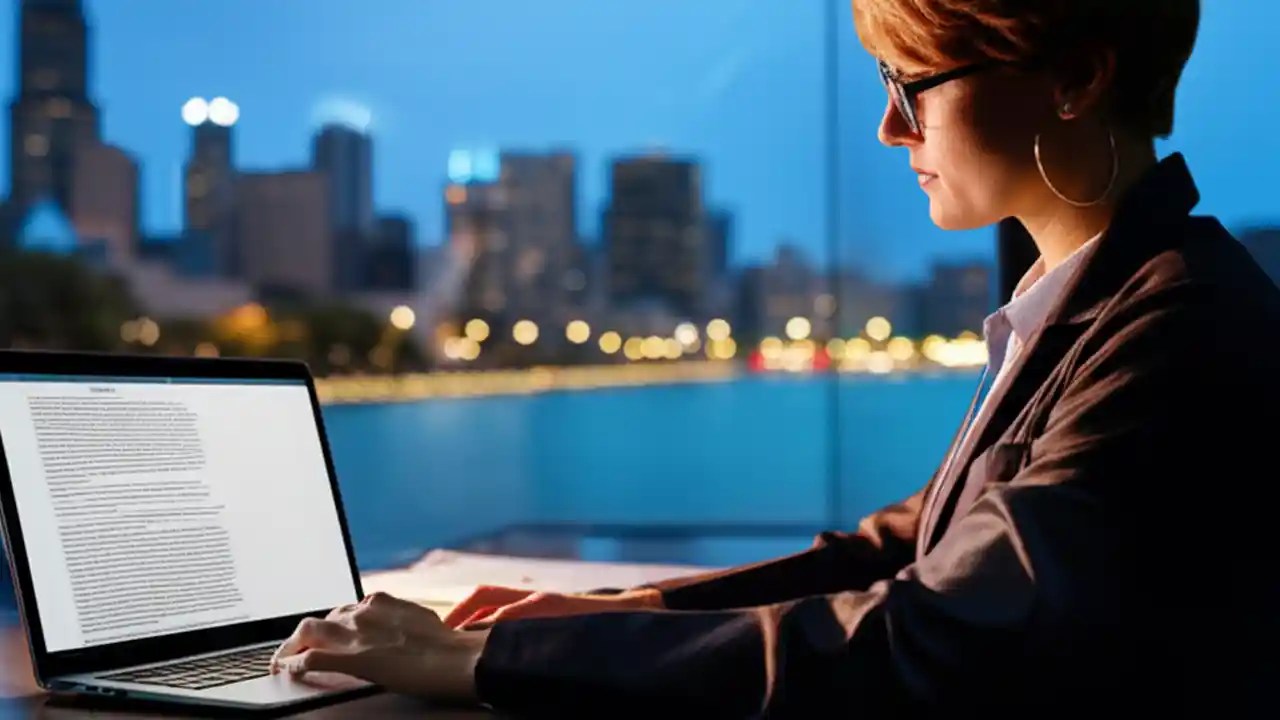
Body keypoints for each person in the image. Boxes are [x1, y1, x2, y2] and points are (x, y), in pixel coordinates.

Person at [271, 0, 1280, 714]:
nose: (888, 128)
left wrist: (498, 662)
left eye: (912, 84)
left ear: (1075, 79)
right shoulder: (1099, 299)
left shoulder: (1179, 324)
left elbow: (933, 633)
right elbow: (905, 548)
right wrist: (629, 609)